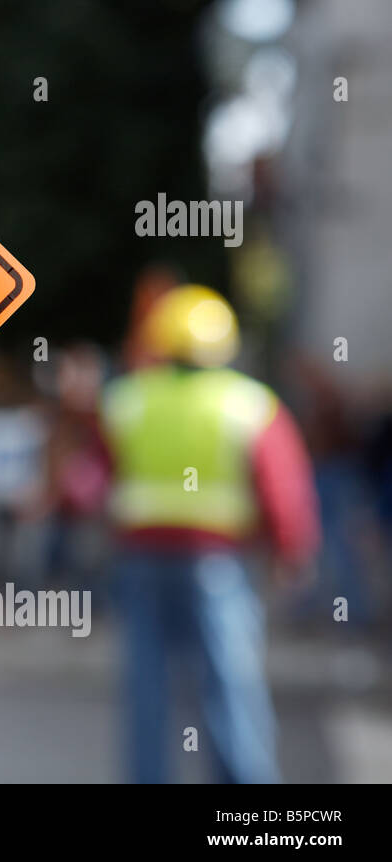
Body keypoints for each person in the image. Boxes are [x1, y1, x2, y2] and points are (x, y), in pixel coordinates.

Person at [98, 285, 319, 783]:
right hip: (216, 564)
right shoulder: (248, 406)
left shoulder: (126, 400)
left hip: (141, 562)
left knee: (146, 690)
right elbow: (283, 488)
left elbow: (95, 476)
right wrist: (293, 551)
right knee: (230, 686)